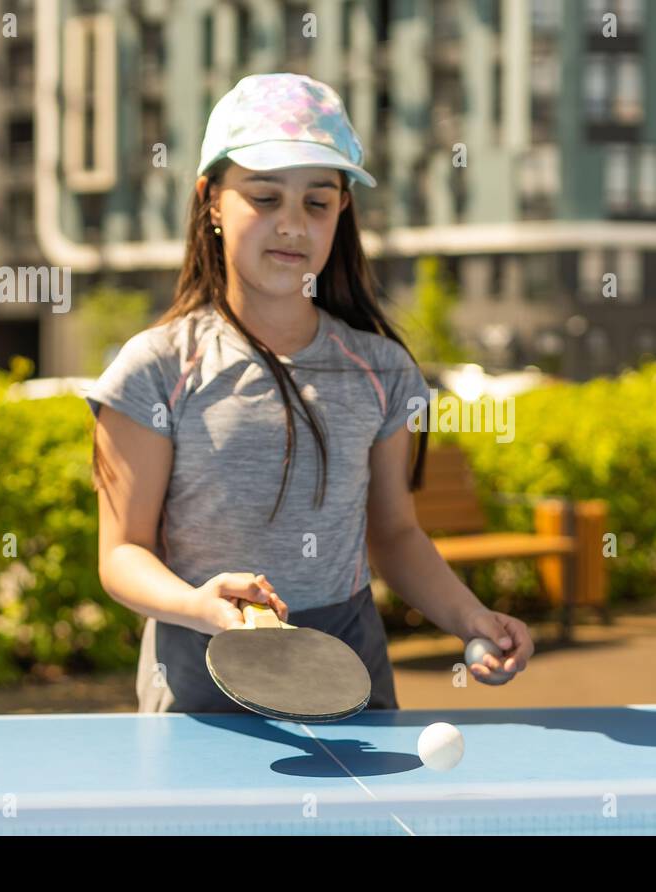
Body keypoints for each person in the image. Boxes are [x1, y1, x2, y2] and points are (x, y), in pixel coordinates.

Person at [85, 73, 534, 712]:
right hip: (197, 687)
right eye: (265, 197)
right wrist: (195, 605)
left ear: (342, 210)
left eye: (316, 202)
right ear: (211, 200)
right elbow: (122, 552)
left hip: (351, 672)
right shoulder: (153, 368)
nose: (292, 224)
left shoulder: (383, 370)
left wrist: (471, 618)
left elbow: (396, 535)